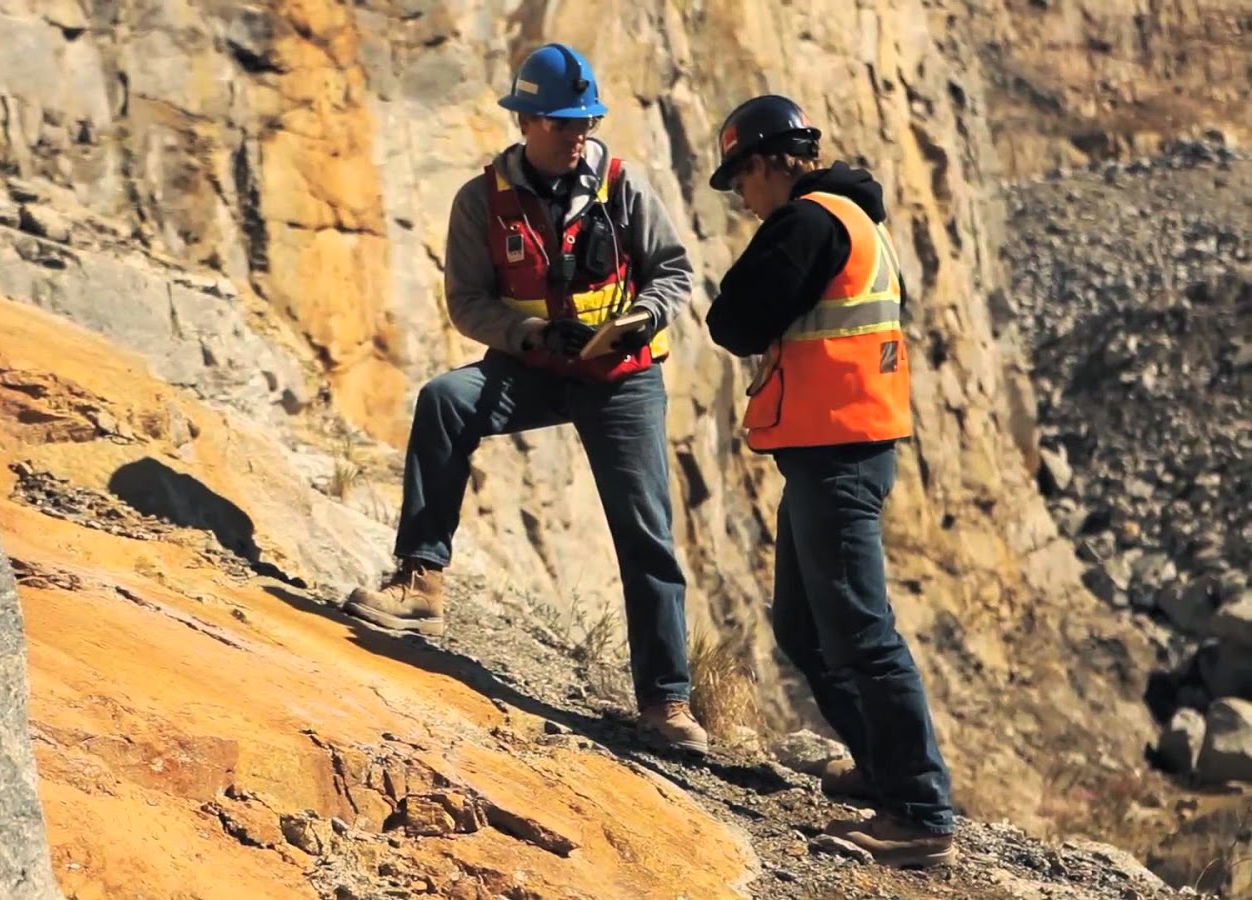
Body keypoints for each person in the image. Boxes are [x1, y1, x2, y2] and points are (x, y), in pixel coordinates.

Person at [342, 42, 707, 755]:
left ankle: (666, 702)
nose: (578, 134)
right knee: (446, 400)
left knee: (645, 533)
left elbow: (673, 271)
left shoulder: (623, 186)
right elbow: (468, 303)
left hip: (623, 379)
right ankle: (421, 579)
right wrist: (530, 333)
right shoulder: (481, 202)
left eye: (586, 121)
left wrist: (642, 317)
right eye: (564, 123)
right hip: (534, 366)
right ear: (526, 123)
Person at [704, 94, 957, 866]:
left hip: (838, 452)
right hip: (837, 446)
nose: (743, 201)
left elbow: (734, 321)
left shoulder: (808, 222)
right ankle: (881, 767)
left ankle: (919, 812)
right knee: (804, 626)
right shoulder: (854, 216)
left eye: (740, 182)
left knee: (859, 633)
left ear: (764, 164)